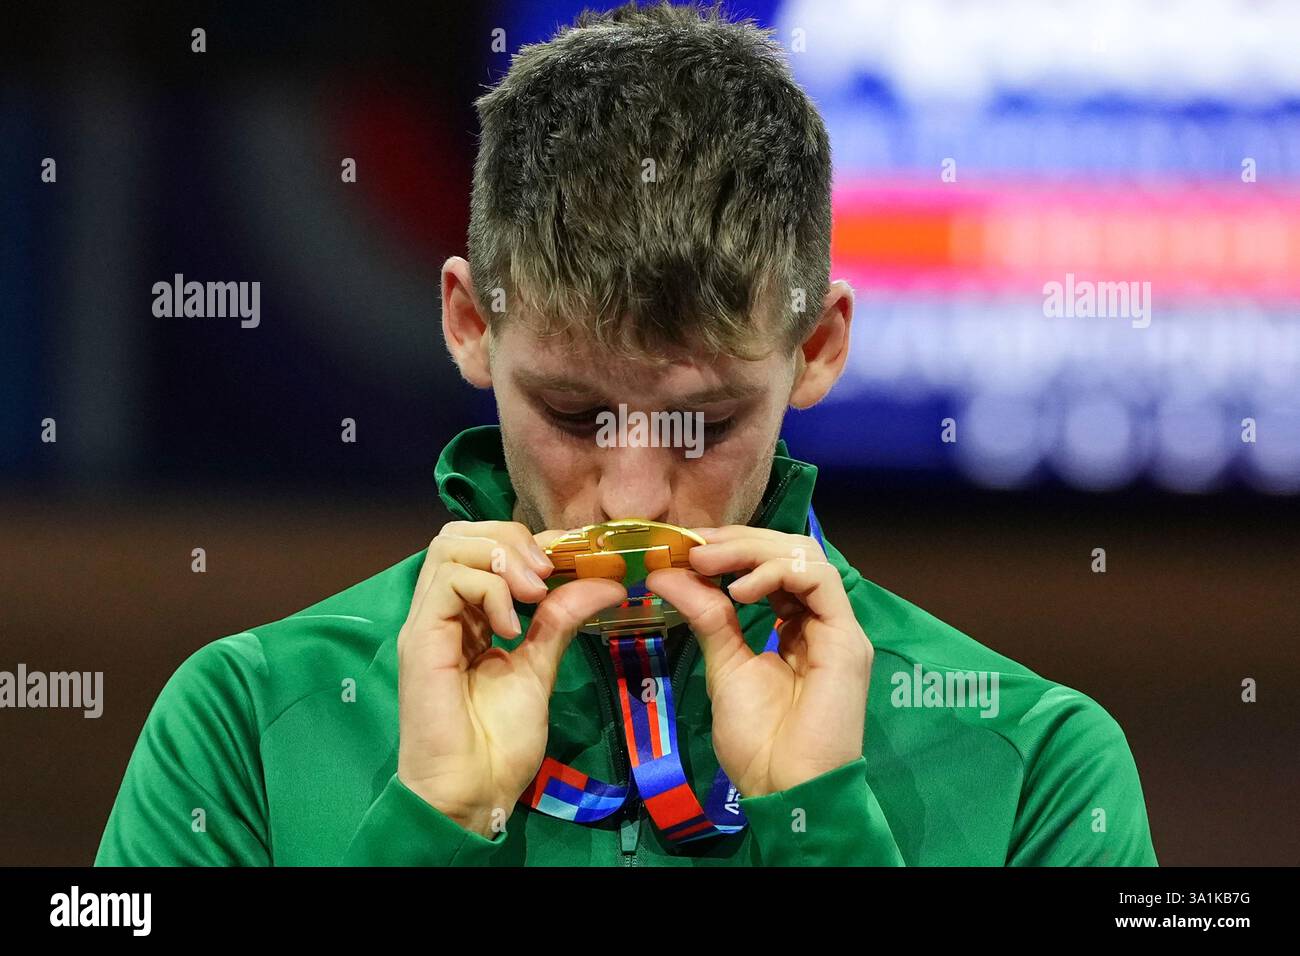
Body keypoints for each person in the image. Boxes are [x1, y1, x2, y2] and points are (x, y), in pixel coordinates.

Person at [95, 0, 1157, 866]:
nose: (633, 500)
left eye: (703, 422)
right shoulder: (236, 727)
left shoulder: (1044, 769)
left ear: (820, 344)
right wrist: (429, 835)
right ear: (470, 323)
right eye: (572, 414)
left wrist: (824, 831)